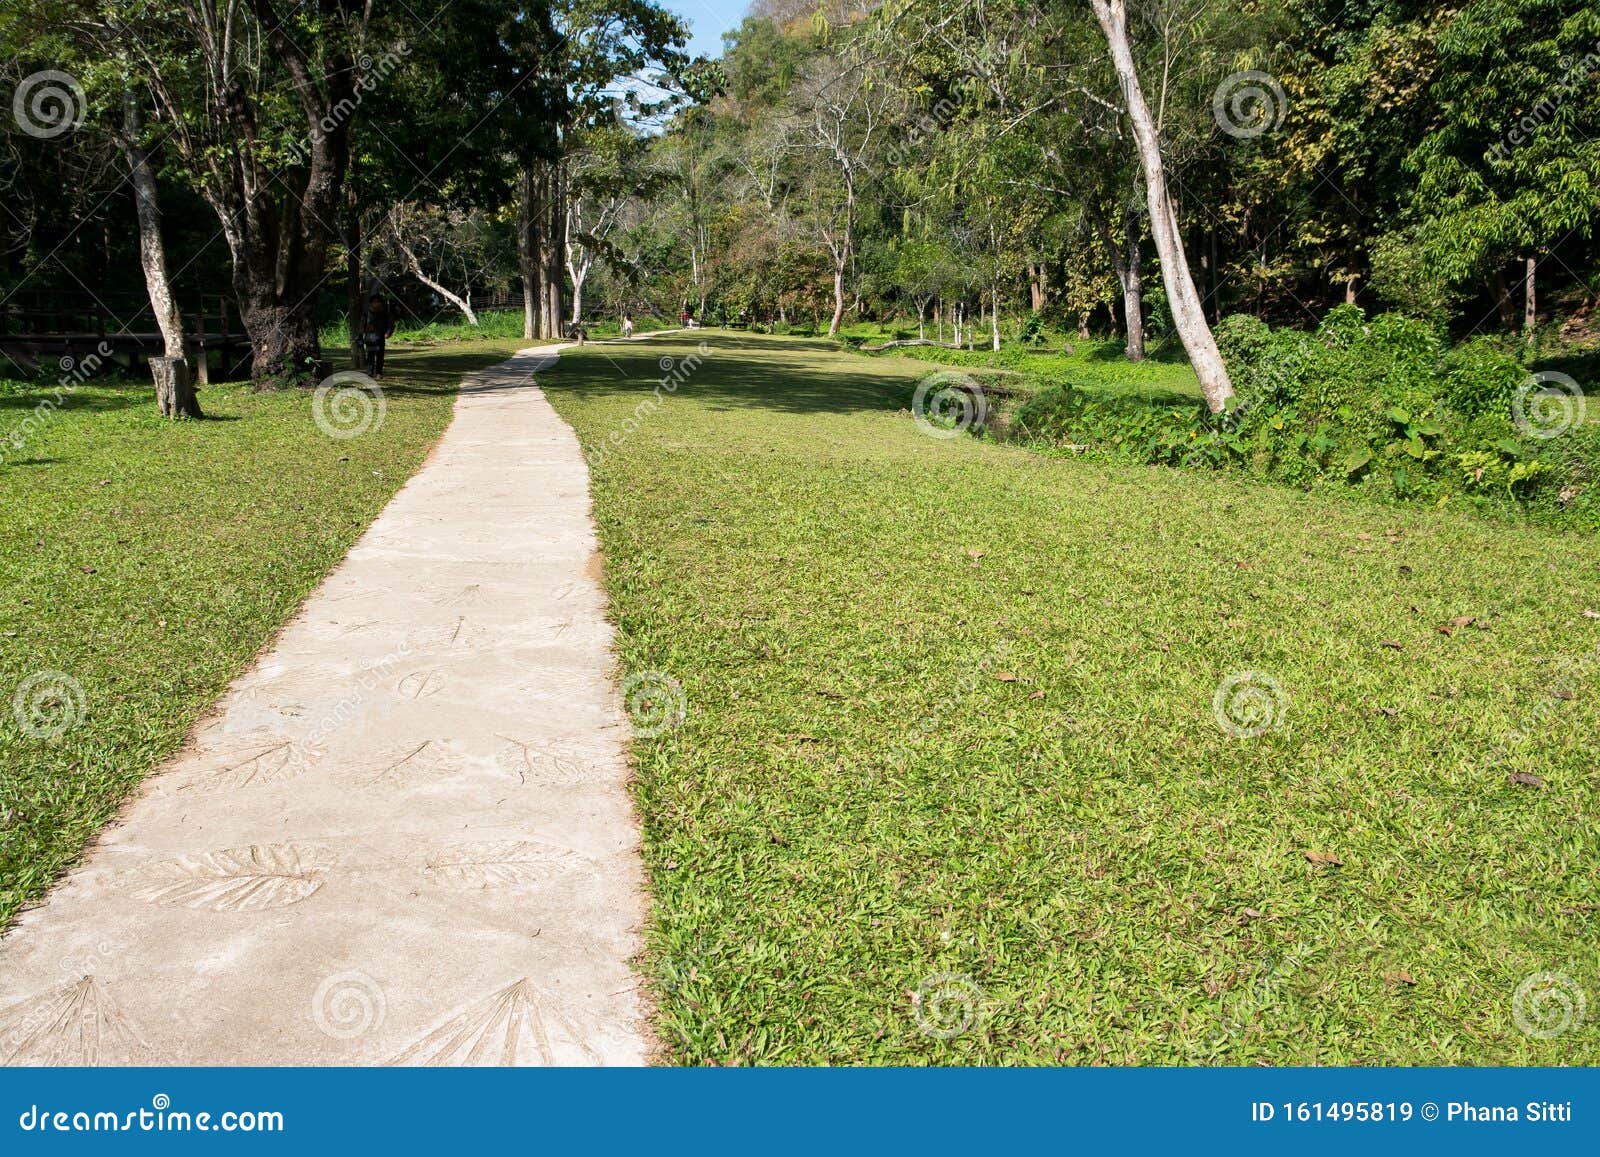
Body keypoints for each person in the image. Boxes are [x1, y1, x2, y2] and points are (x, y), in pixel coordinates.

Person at [362, 294, 395, 377]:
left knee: (380, 355)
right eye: (374, 302)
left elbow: (391, 324)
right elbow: (362, 324)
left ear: (381, 303)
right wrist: (361, 334)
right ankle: (369, 372)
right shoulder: (367, 313)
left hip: (380, 336)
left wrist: (388, 332)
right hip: (370, 336)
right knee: (370, 355)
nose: (375, 304)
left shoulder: (385, 313)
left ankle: (378, 372)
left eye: (377, 302)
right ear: (371, 303)